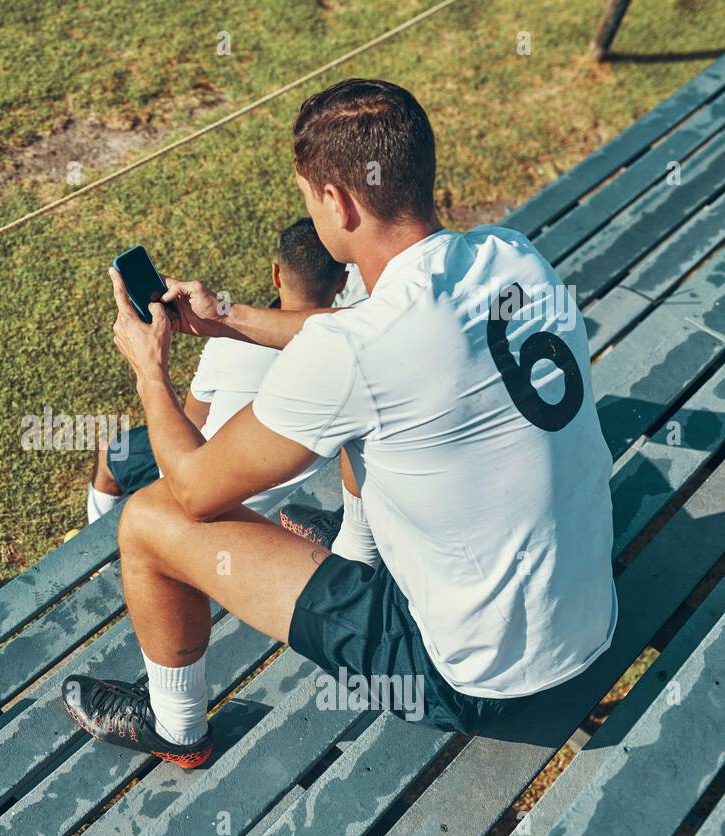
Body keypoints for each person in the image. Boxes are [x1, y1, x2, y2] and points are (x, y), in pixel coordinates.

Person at [62, 78, 618, 769]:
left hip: (469, 681)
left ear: (337, 201)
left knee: (147, 520)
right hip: (591, 623)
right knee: (378, 422)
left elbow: (196, 490)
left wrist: (150, 371)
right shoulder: (511, 256)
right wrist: (228, 317)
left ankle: (174, 727)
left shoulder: (356, 353)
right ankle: (356, 553)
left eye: (306, 195)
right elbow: (364, 332)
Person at [87, 219, 365, 524]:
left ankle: (98, 545)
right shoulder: (358, 350)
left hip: (196, 489)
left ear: (276, 274)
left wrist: (150, 371)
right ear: (342, 283)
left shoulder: (227, 347)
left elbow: (191, 430)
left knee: (110, 452)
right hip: (285, 504)